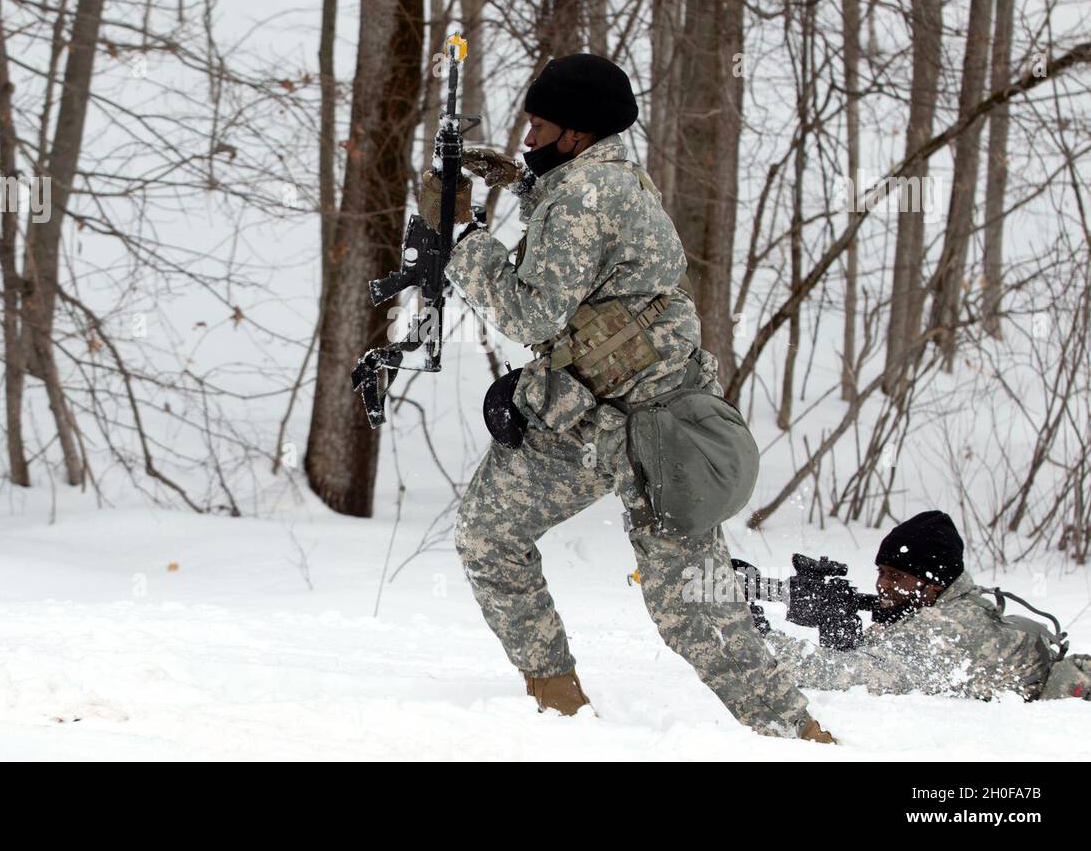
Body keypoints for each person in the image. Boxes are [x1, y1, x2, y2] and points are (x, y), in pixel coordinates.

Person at [443, 53, 834, 742]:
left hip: (642, 434)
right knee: (497, 534)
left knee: (685, 608)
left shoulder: (585, 196)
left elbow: (532, 315)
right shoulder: (605, 177)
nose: (526, 138)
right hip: (604, 415)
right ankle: (567, 706)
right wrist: (517, 182)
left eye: (538, 127)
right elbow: (581, 259)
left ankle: (794, 738)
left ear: (577, 133)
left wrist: (465, 241)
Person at [764, 511, 1064, 700]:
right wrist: (839, 625)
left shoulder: (949, 627)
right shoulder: (937, 607)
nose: (882, 584)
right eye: (881, 571)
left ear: (933, 583)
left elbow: (844, 676)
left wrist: (757, 638)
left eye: (896, 575)